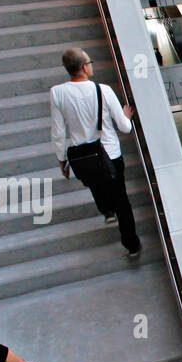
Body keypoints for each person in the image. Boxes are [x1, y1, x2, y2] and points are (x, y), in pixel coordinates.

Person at [50, 47, 141, 258]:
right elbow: (125, 127)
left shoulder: (57, 93)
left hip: (80, 155)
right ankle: (131, 244)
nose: (92, 65)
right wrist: (126, 115)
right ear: (84, 67)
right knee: (122, 201)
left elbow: (58, 131)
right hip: (109, 154)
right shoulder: (104, 90)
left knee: (95, 184)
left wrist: (62, 160)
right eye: (90, 62)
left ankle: (107, 212)